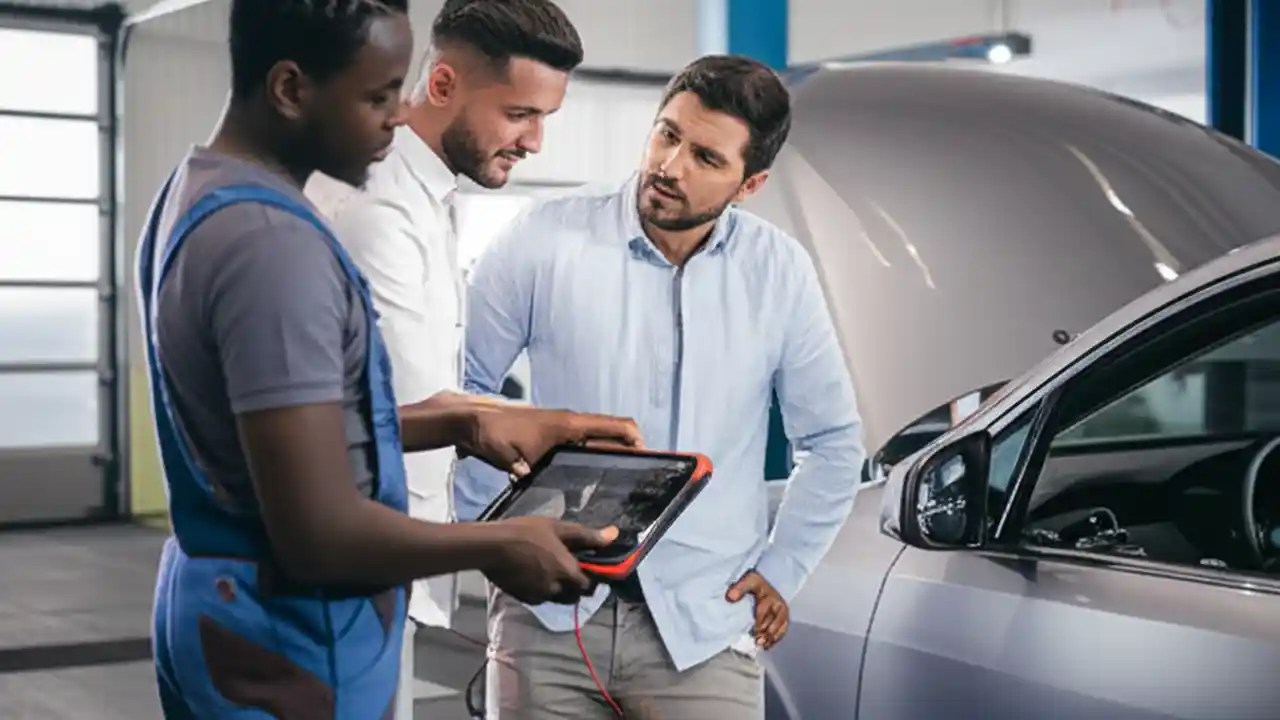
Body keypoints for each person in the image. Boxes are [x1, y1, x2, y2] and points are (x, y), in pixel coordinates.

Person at [136, 2, 641, 718]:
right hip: (290, 627)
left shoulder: (201, 191)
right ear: (289, 89)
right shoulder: (274, 243)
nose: (396, 117)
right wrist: (499, 544)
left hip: (231, 604)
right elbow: (316, 533)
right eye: (378, 97)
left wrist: (464, 422)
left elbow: (307, 425)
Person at [455, 54, 866, 718]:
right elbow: (462, 392)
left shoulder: (779, 273)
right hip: (551, 621)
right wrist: (489, 537)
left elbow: (834, 443)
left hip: (703, 626)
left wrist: (784, 568)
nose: (670, 165)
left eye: (706, 157)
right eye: (667, 133)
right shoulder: (544, 237)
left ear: (751, 182)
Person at [301, 1, 583, 715]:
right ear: (445, 84)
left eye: (545, 116)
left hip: (385, 570)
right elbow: (396, 419)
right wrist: (497, 537)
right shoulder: (380, 209)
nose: (536, 141)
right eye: (520, 113)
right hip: (350, 578)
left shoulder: (430, 194)